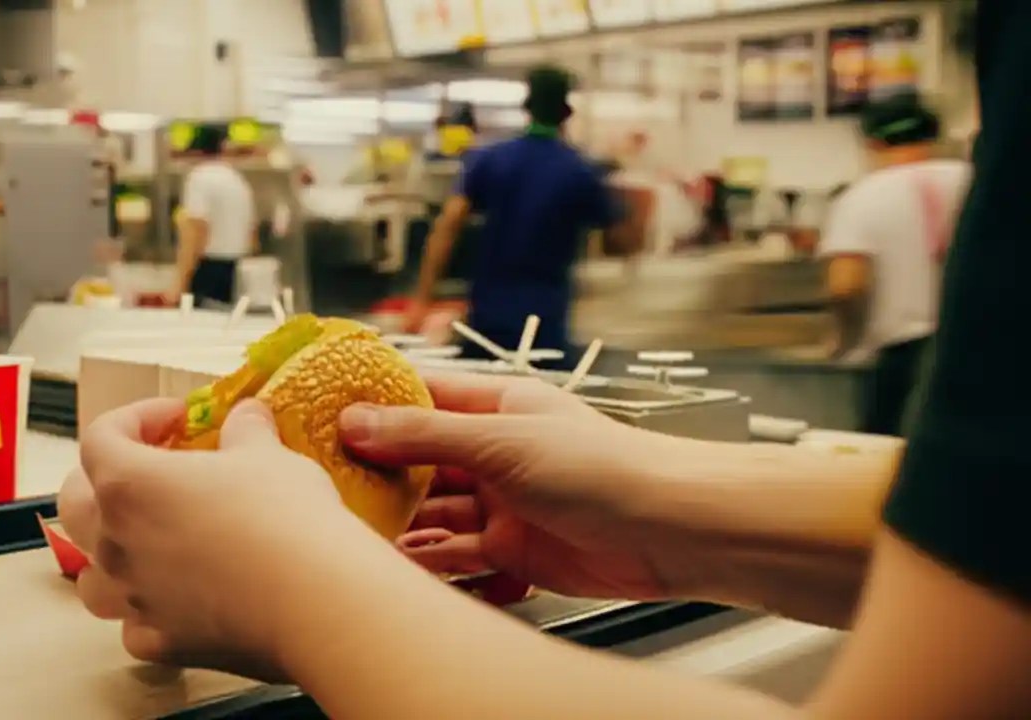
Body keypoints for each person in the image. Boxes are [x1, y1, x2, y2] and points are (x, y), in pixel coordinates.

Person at [61, 3, 1030, 715]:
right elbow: (994, 536)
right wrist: (657, 498)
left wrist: (291, 588)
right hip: (545, 317)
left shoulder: (489, 166)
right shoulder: (578, 172)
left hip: (495, 308)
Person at [405, 65, 626, 368]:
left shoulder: (490, 160)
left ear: (526, 107)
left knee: (479, 400)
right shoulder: (580, 170)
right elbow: (620, 239)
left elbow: (447, 227)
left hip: (488, 311)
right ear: (567, 112)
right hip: (546, 317)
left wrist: (422, 297)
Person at [819, 96, 971, 435]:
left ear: (871, 143)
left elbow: (847, 285)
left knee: (894, 459)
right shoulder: (973, 181)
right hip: (986, 344)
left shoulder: (862, 197)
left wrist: (845, 341)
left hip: (908, 361)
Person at [170, 124, 256, 308]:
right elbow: (252, 233)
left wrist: (180, 283)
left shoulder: (199, 177)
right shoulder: (236, 179)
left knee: (200, 328)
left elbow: (197, 230)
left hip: (207, 269)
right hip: (233, 267)